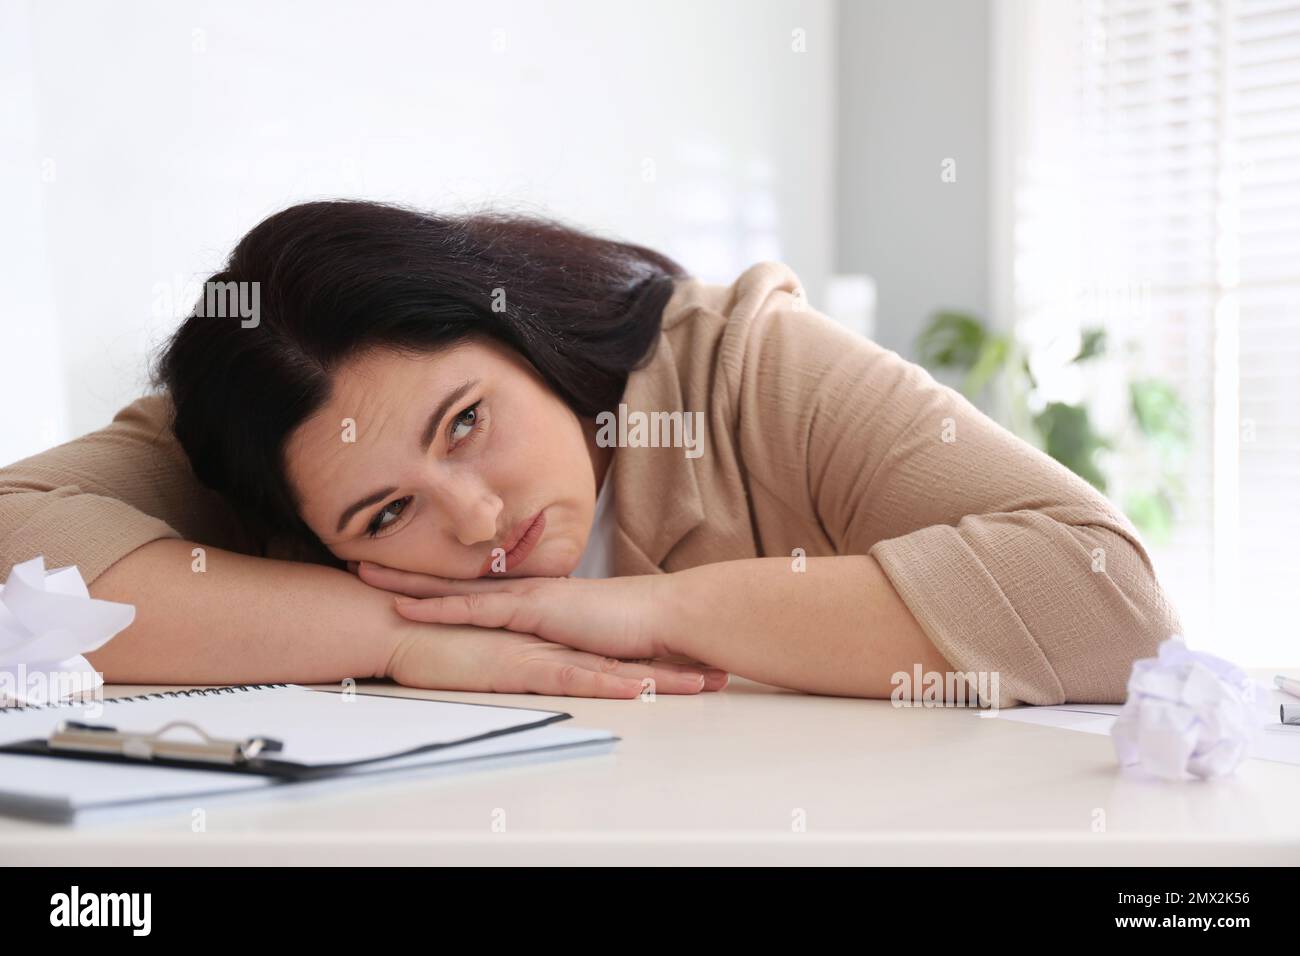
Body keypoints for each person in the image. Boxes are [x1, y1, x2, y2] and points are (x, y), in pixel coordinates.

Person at [0, 200, 1182, 706]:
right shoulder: (261, 426)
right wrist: (408, 635)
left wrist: (662, 610)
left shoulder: (742, 364)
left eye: (466, 420)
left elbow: (1105, 597)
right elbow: (18, 537)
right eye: (382, 515)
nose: (470, 518)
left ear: (518, 333)